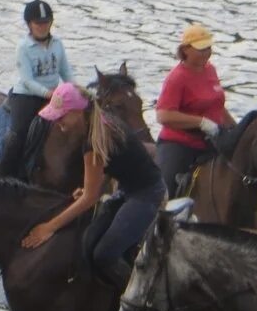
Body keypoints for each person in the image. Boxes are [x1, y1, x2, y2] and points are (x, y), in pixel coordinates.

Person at [20, 82, 166, 290]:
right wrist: (90, 186)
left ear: (79, 112)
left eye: (62, 116)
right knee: (88, 242)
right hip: (127, 190)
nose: (58, 123)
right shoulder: (100, 121)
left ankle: (141, 298)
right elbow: (109, 168)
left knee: (104, 254)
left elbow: (89, 198)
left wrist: (49, 227)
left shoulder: (94, 143)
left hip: (147, 194)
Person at [154, 23, 236, 198]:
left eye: (208, 48)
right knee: (164, 190)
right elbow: (163, 115)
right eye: (201, 49)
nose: (206, 53)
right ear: (186, 50)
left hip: (212, 141)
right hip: (180, 144)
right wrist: (201, 122)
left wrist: (234, 129)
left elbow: (217, 106)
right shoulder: (176, 78)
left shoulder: (210, 70)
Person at [0, 0, 77, 179]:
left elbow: (66, 72)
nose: (42, 27)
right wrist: (49, 93)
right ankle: (5, 178)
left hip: (54, 97)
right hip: (26, 97)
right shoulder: (23, 47)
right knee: (18, 135)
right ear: (29, 25)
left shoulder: (58, 44)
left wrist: (76, 90)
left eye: (46, 22)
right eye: (38, 23)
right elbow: (27, 80)